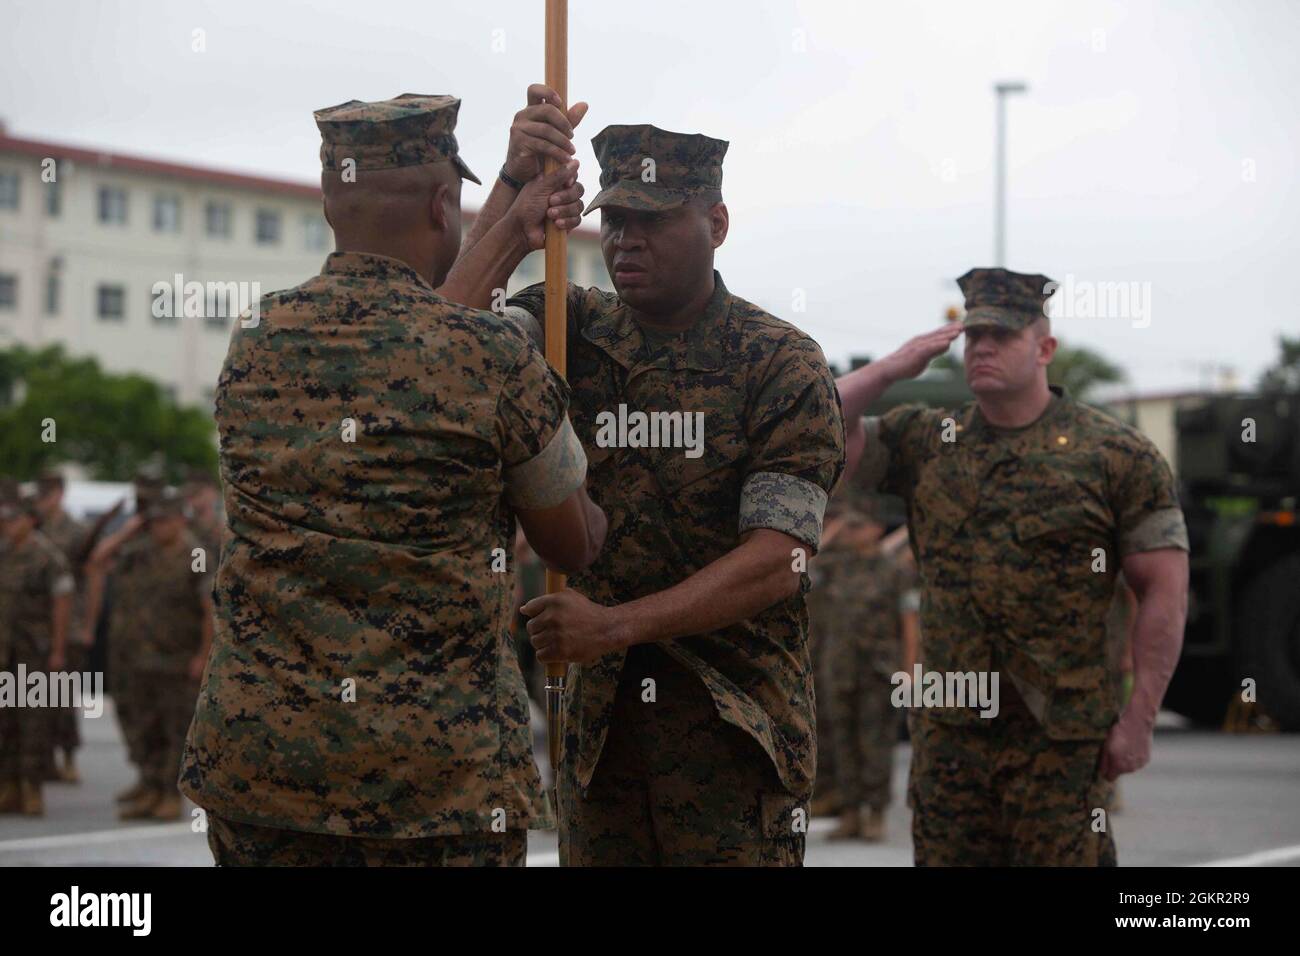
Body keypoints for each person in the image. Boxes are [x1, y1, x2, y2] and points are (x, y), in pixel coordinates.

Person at [179, 91, 606, 867]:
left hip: (263, 775)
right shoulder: (494, 357)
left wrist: (511, 213)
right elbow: (571, 542)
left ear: (328, 203)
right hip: (436, 787)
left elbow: (410, 355)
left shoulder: (256, 342)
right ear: (445, 204)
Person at [497, 121, 846, 865]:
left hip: (736, 736)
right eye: (614, 220)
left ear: (715, 224)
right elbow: (446, 343)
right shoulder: (569, 326)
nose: (624, 240)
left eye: (651, 221)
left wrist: (615, 627)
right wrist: (508, 204)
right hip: (602, 743)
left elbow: (777, 557)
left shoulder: (778, 363)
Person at [835, 267, 1189, 865]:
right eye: (974, 337)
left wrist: (1140, 719)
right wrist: (891, 370)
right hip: (952, 742)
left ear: (1045, 348)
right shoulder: (927, 439)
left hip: (1061, 742)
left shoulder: (1115, 454)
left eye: (1001, 336)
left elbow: (1164, 590)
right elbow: (817, 426)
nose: (983, 349)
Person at [814, 504, 918, 841]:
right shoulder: (837, 565)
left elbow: (908, 622)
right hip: (839, 666)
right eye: (849, 527)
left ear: (876, 529)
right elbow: (807, 565)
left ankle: (875, 813)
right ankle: (849, 813)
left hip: (877, 669)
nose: (849, 532)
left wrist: (909, 670)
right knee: (843, 742)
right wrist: (834, 529)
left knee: (876, 744)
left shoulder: (893, 570)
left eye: (857, 527)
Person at [84, 471, 164, 807]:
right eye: (140, 501)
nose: (144, 508)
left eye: (149, 501)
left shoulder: (178, 539)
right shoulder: (130, 540)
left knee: (163, 718)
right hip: (125, 642)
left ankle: (162, 786)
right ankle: (146, 778)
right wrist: (127, 531)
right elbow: (97, 560)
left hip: (164, 647)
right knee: (131, 714)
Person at [0, 480, 74, 816]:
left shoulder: (47, 557)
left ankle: (32, 790)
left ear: (30, 520)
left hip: (33, 653)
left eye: (13, 520)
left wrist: (58, 651)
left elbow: (61, 604)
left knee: (32, 723)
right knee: (6, 721)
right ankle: (9, 787)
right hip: (5, 651)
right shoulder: (3, 553)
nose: (7, 526)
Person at [32, 471, 90, 784]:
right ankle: (44, 759)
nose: (43, 500)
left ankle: (68, 757)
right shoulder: (32, 527)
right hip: (36, 626)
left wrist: (88, 625)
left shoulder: (77, 531)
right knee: (34, 696)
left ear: (60, 494)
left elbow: (94, 574)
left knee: (64, 696)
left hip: (70, 623)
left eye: (48, 493)